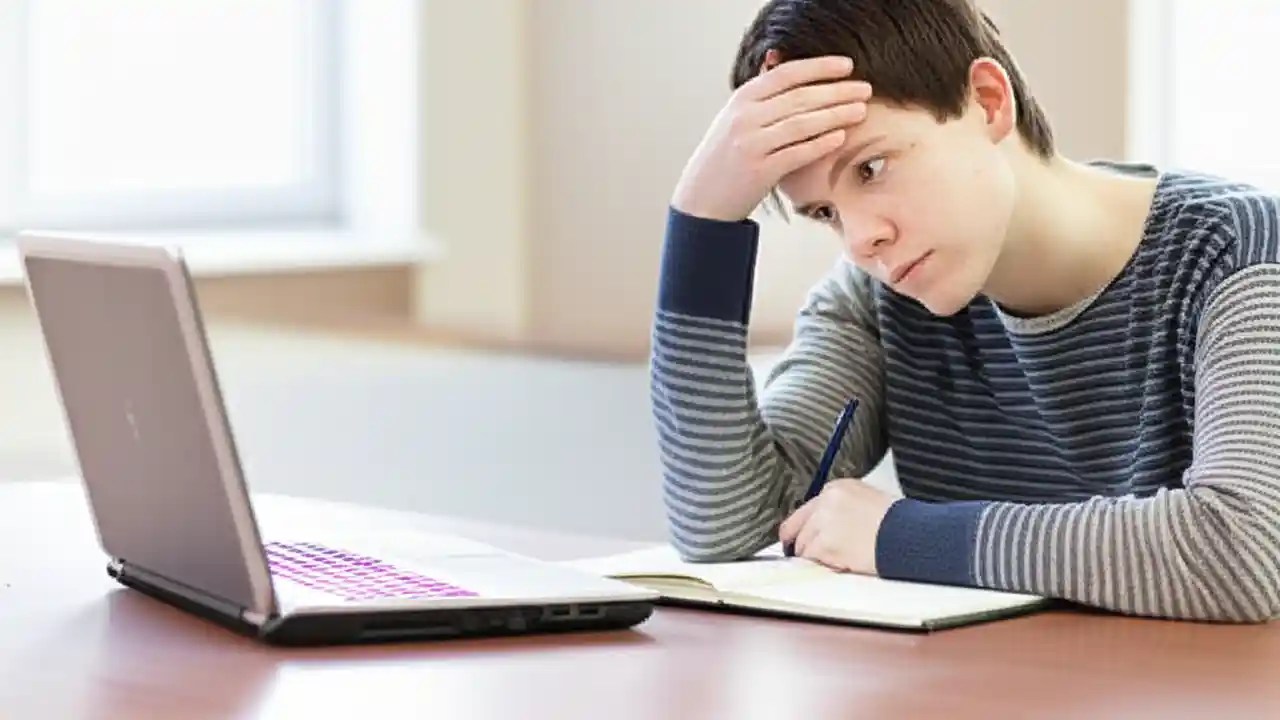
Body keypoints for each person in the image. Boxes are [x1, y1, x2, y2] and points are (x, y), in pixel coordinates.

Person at [651, 0, 1280, 622]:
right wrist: (702, 225)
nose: (859, 239)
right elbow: (726, 524)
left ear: (987, 101)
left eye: (871, 168)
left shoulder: (1240, 251)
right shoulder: (881, 294)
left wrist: (901, 536)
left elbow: (1242, 550)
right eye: (825, 213)